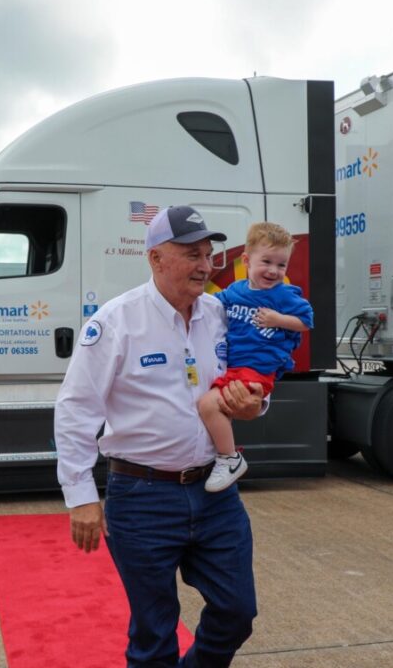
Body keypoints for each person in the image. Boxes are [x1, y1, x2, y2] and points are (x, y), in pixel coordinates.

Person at [54, 205, 264, 667]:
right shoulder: (116, 322)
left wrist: (255, 403)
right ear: (155, 258)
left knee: (237, 611)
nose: (205, 265)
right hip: (142, 496)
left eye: (209, 254)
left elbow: (248, 378)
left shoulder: (218, 314)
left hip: (215, 492)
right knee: (154, 630)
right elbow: (76, 409)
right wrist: (81, 495)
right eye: (192, 254)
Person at [198, 222, 312, 492]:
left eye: (281, 265)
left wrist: (278, 319)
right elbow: (211, 304)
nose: (274, 270)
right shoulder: (235, 291)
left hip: (258, 369)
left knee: (208, 405)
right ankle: (223, 455)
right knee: (211, 406)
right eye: (267, 262)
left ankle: (229, 459)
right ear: (247, 260)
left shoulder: (283, 295)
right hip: (236, 367)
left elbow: (306, 321)